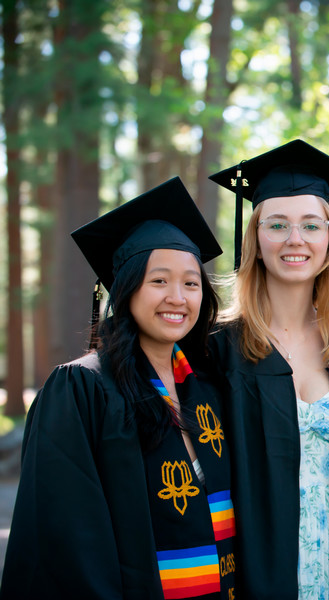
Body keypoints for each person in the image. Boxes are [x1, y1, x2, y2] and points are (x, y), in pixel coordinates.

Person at [0, 178, 235, 599]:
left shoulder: (208, 392)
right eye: (159, 281)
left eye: (191, 283)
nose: (177, 297)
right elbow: (66, 538)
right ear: (126, 291)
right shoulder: (80, 389)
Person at [207, 139, 329, 599]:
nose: (294, 240)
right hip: (254, 562)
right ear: (256, 241)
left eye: (310, 226)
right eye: (276, 225)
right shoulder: (219, 349)